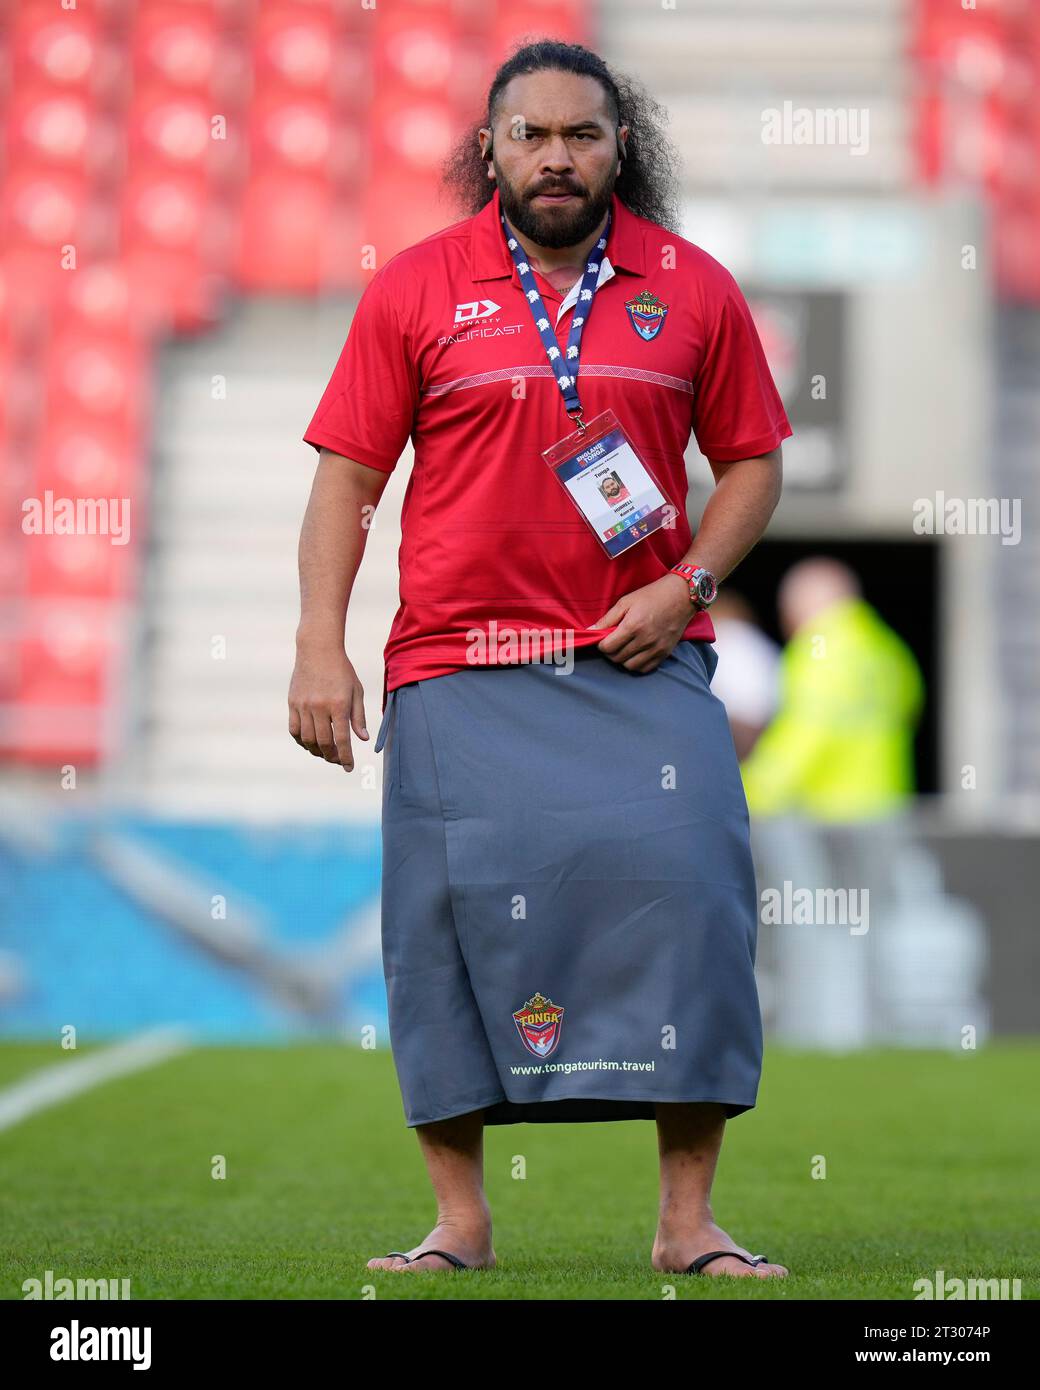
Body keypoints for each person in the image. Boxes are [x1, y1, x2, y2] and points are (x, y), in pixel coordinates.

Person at [290, 40, 792, 1280]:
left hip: (640, 662)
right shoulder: (415, 286)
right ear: (490, 149)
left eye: (582, 134)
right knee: (441, 934)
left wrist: (689, 586)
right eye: (531, 135)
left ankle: (687, 1226)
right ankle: (460, 1224)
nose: (556, 156)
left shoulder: (693, 287)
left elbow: (752, 462)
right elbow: (348, 477)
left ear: (623, 146)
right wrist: (319, 645)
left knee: (694, 904)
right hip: (457, 667)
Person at [740, 558, 925, 819]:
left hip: (833, 819)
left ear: (796, 609)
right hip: (889, 806)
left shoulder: (818, 652)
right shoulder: (889, 649)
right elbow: (911, 712)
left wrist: (747, 795)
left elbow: (804, 736)